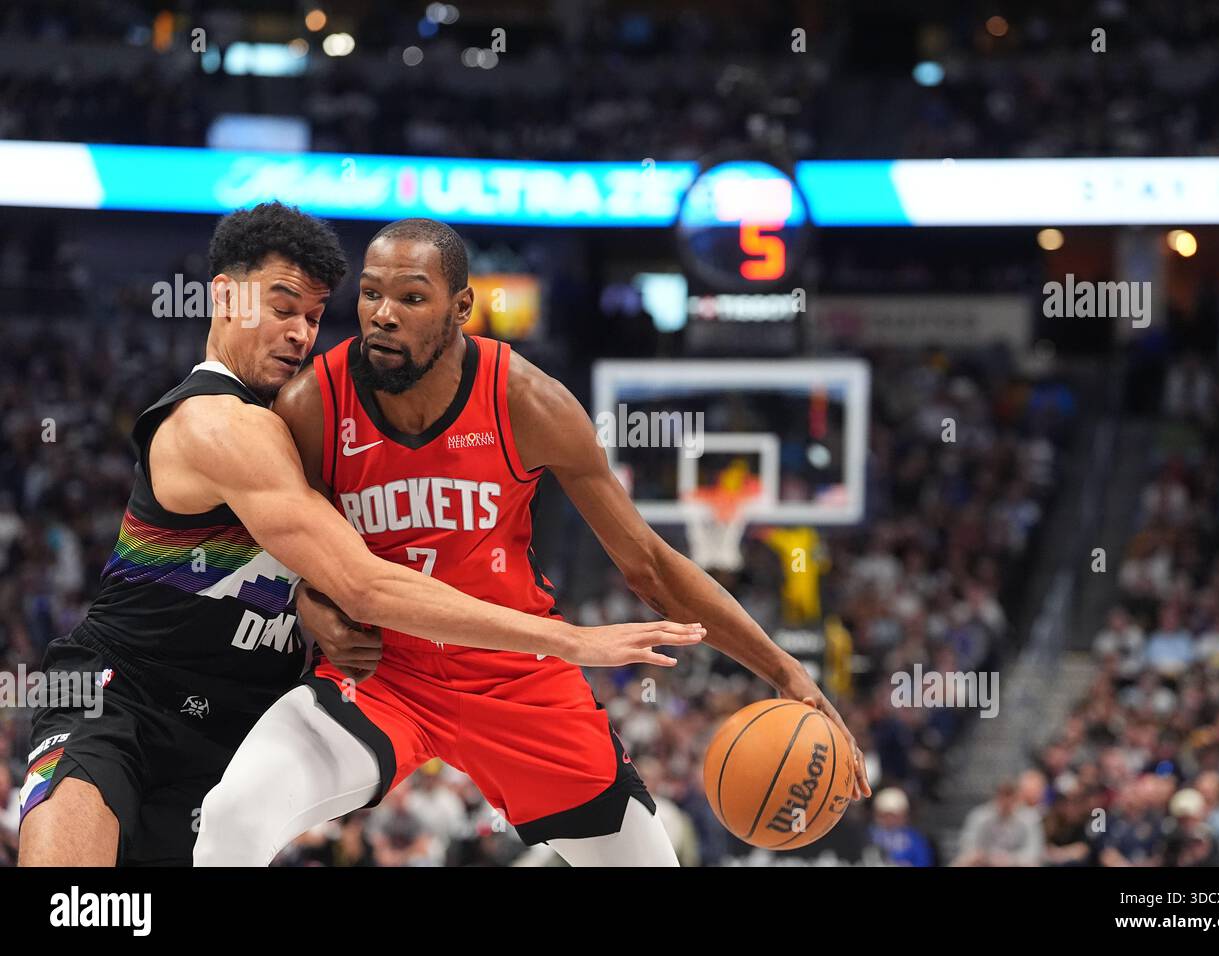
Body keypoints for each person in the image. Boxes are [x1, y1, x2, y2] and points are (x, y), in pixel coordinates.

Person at [17, 203, 700, 867]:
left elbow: (327, 571)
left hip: (226, 719)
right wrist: (568, 639)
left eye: (313, 317)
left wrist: (311, 604)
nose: (298, 334)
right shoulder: (218, 421)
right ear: (223, 296)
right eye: (281, 308)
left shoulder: (308, 417)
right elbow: (366, 584)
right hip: (120, 694)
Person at [194, 218, 870, 867]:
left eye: (411, 296)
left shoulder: (525, 400)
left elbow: (651, 567)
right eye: (371, 292)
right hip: (382, 674)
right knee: (231, 816)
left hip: (519, 675)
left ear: (461, 308)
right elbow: (282, 549)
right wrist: (311, 601)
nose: (383, 314)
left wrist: (785, 670)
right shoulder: (313, 403)